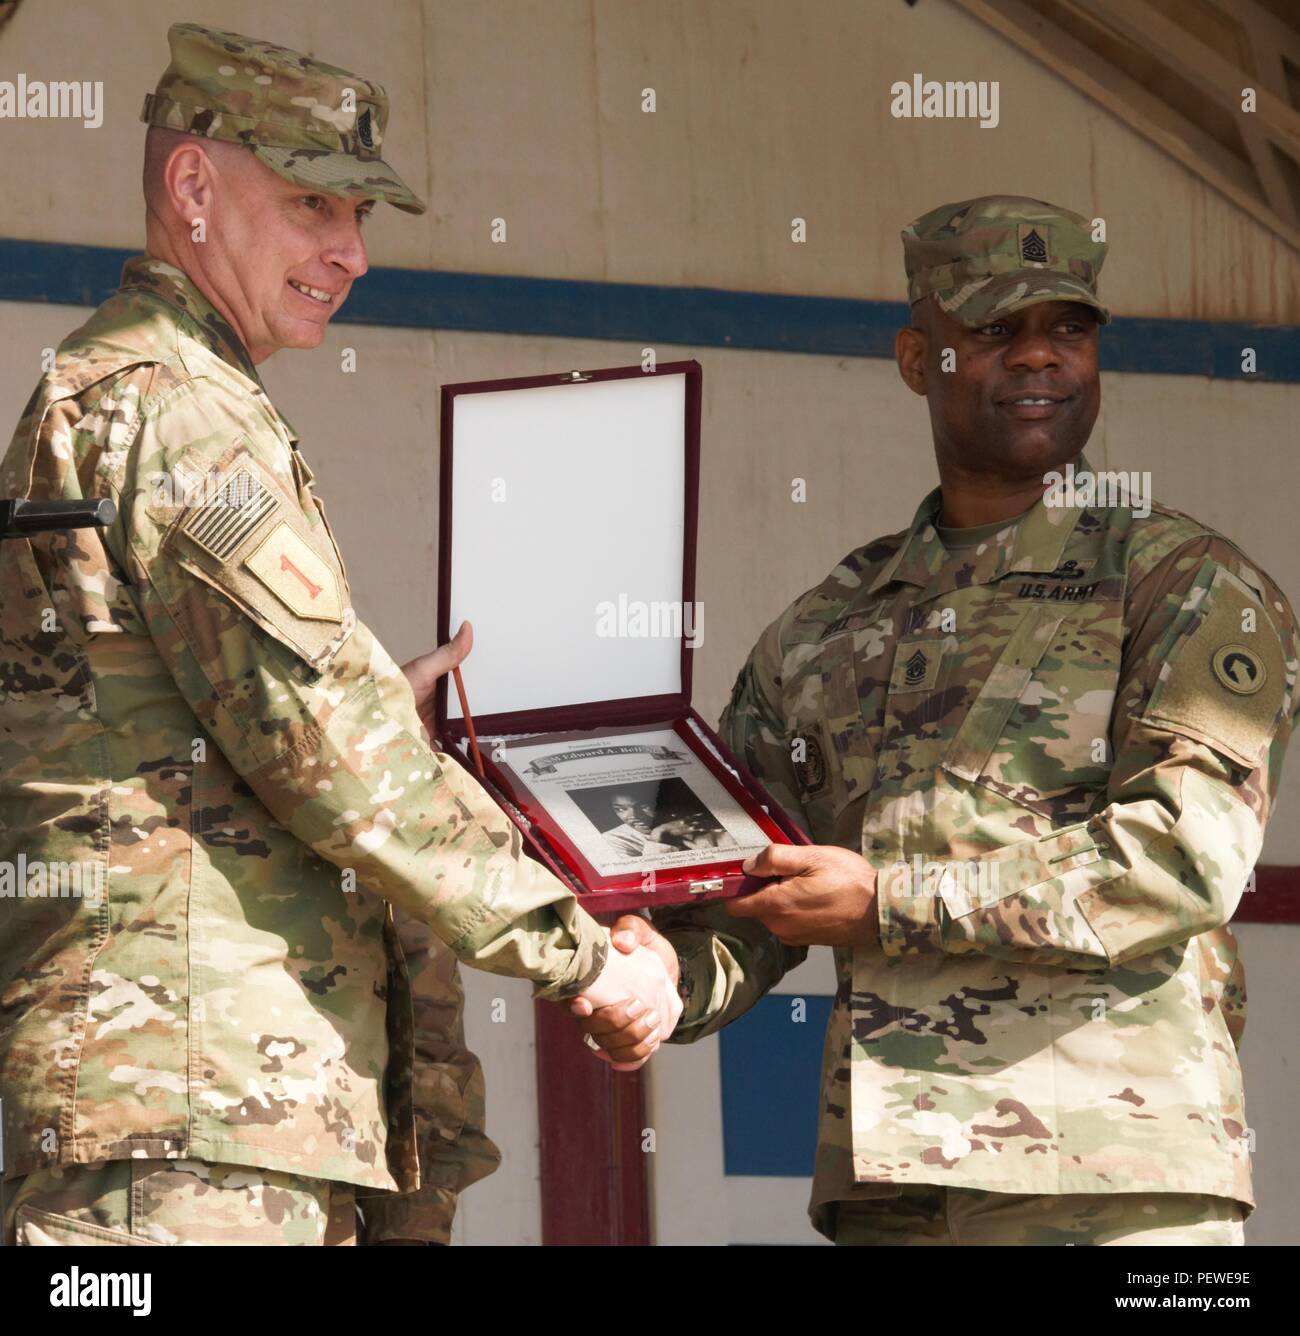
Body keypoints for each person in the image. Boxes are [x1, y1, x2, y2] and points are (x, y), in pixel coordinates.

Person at [0, 21, 677, 1247]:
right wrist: (584, 954)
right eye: (314, 202)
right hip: (186, 1122)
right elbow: (333, 756)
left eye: (361, 215)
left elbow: (238, 716)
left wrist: (370, 699)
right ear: (192, 187)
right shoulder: (176, 406)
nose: (351, 251)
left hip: (219, 1103)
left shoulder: (172, 395)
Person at [576, 196, 1299, 1246]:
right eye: (997, 332)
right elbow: (746, 883)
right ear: (920, 359)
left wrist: (891, 902)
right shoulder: (825, 629)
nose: (1040, 358)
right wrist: (654, 980)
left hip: (1112, 1176)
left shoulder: (1181, 584)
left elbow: (1181, 861)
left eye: (1069, 330)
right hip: (892, 1192)